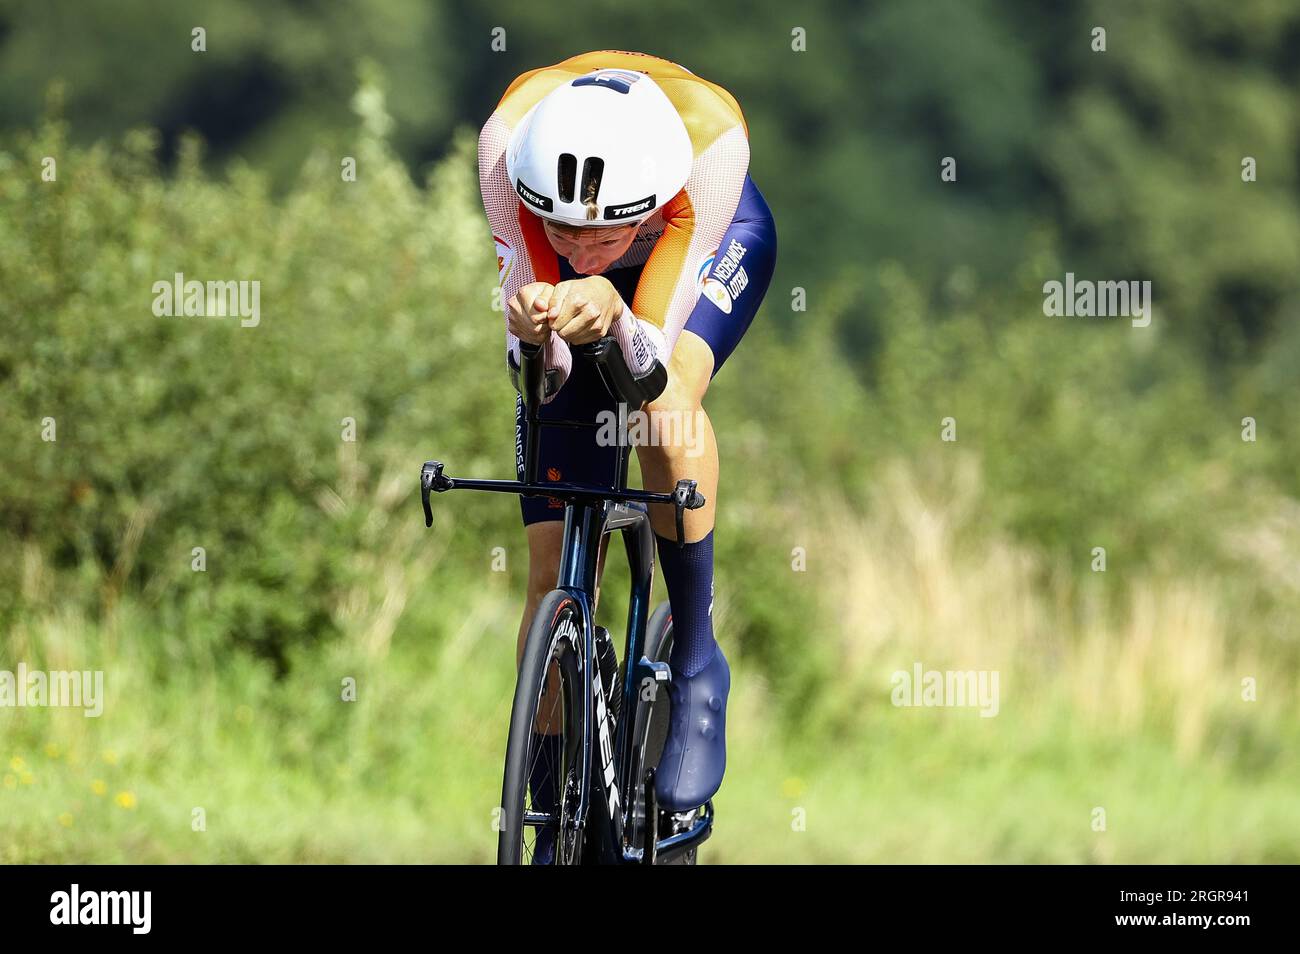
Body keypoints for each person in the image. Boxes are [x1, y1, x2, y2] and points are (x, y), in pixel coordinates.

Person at [477, 50, 776, 825]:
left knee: (664, 407)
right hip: (600, 233)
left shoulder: (711, 152)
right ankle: (549, 817)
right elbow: (534, 377)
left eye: (598, 236)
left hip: (707, 240)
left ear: (640, 212)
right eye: (561, 230)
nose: (577, 248)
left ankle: (697, 662)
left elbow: (647, 373)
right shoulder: (506, 150)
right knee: (548, 572)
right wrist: (533, 333)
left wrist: (612, 309)